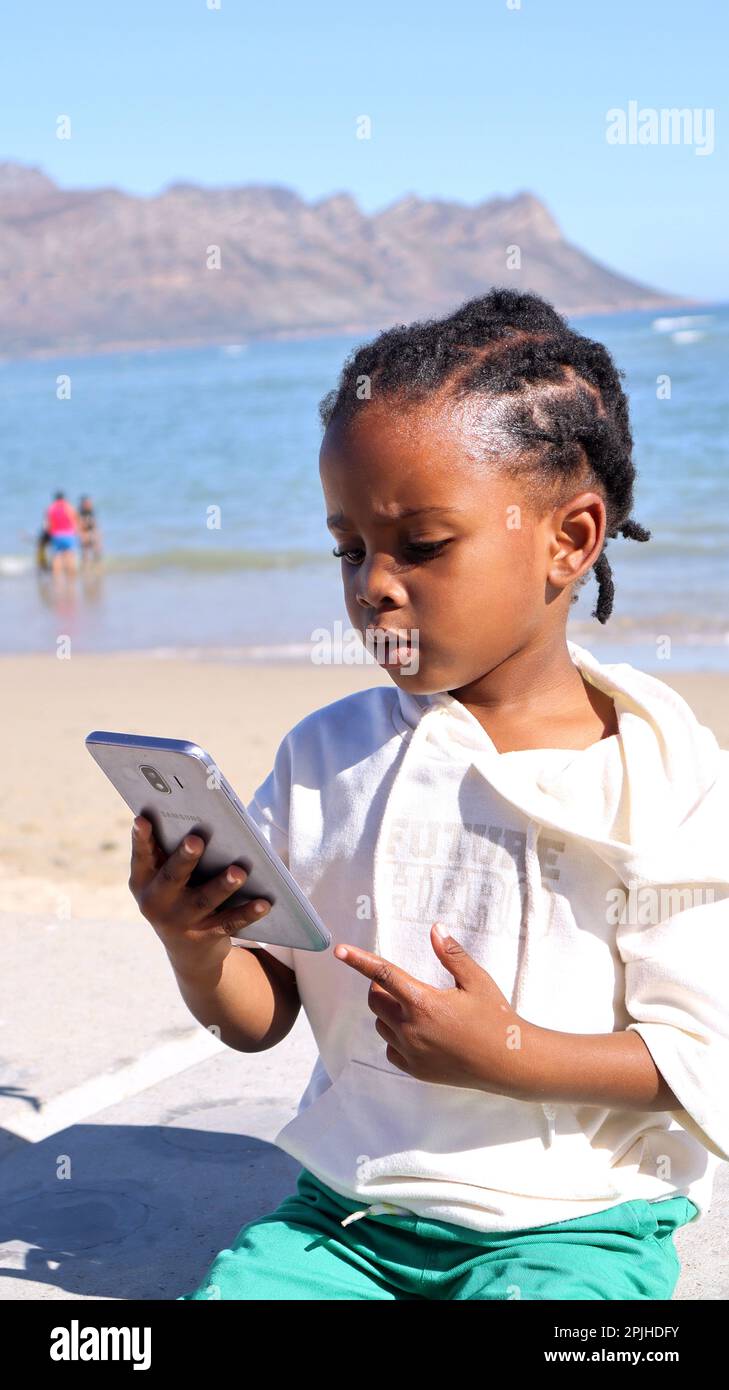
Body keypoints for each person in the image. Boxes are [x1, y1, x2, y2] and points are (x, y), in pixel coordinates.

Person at [130, 289, 729, 1301]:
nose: (373, 583)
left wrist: (513, 1053)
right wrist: (194, 945)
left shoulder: (659, 771)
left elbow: (699, 1056)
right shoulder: (328, 753)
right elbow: (261, 1015)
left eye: (422, 543)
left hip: (575, 1223)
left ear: (569, 538)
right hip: (349, 1218)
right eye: (350, 547)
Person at [43, 490, 80, 577]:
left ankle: (56, 579)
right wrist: (76, 532)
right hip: (69, 534)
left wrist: (49, 534)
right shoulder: (69, 507)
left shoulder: (50, 508)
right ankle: (71, 579)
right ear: (64, 498)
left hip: (56, 535)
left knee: (56, 557)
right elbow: (75, 520)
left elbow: (47, 525)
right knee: (70, 556)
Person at [77, 494, 102, 565]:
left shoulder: (91, 511)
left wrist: (98, 534)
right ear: (83, 504)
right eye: (87, 503)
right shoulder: (80, 512)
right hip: (84, 532)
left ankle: (96, 565)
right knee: (85, 551)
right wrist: (81, 534)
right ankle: (86, 566)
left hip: (92, 532)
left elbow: (95, 524)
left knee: (97, 549)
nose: (89, 504)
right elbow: (80, 524)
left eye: (89, 502)